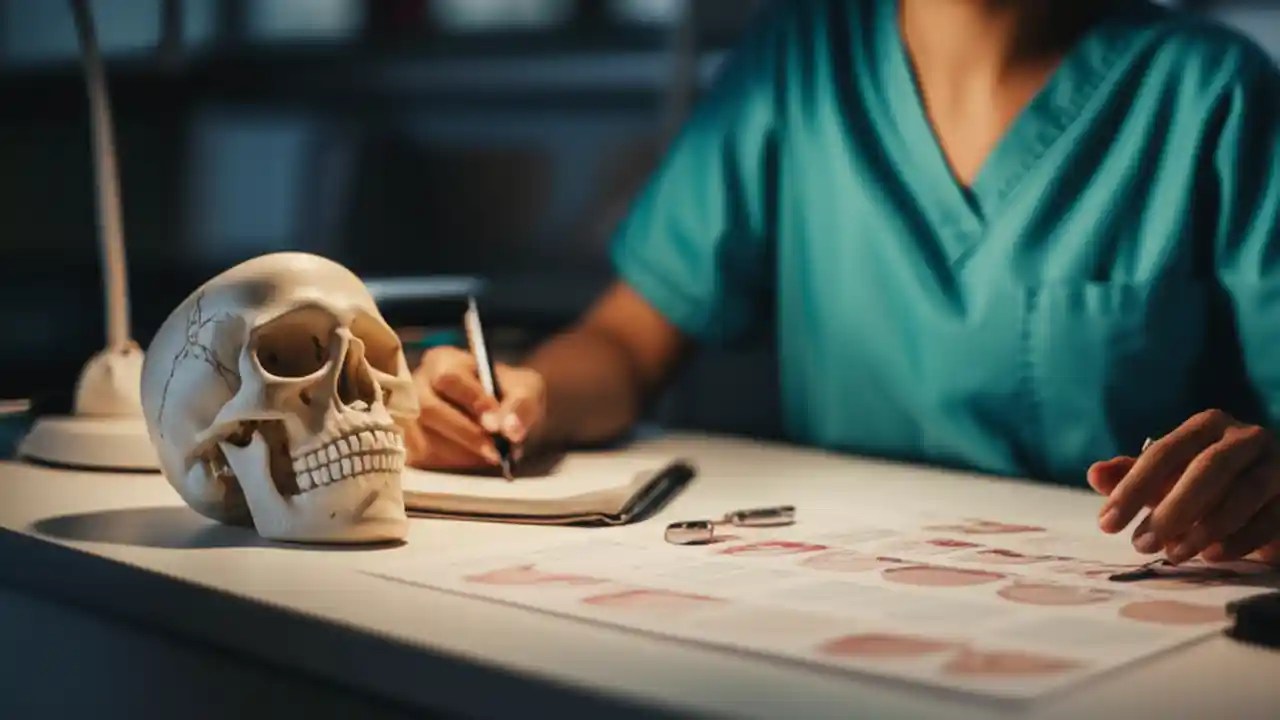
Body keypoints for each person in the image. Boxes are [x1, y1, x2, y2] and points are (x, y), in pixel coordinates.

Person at [405, 0, 1280, 565]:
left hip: (1130, 611)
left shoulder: (1211, 95)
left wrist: (1259, 487)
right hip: (832, 597)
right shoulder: (798, 67)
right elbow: (628, 343)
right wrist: (519, 397)